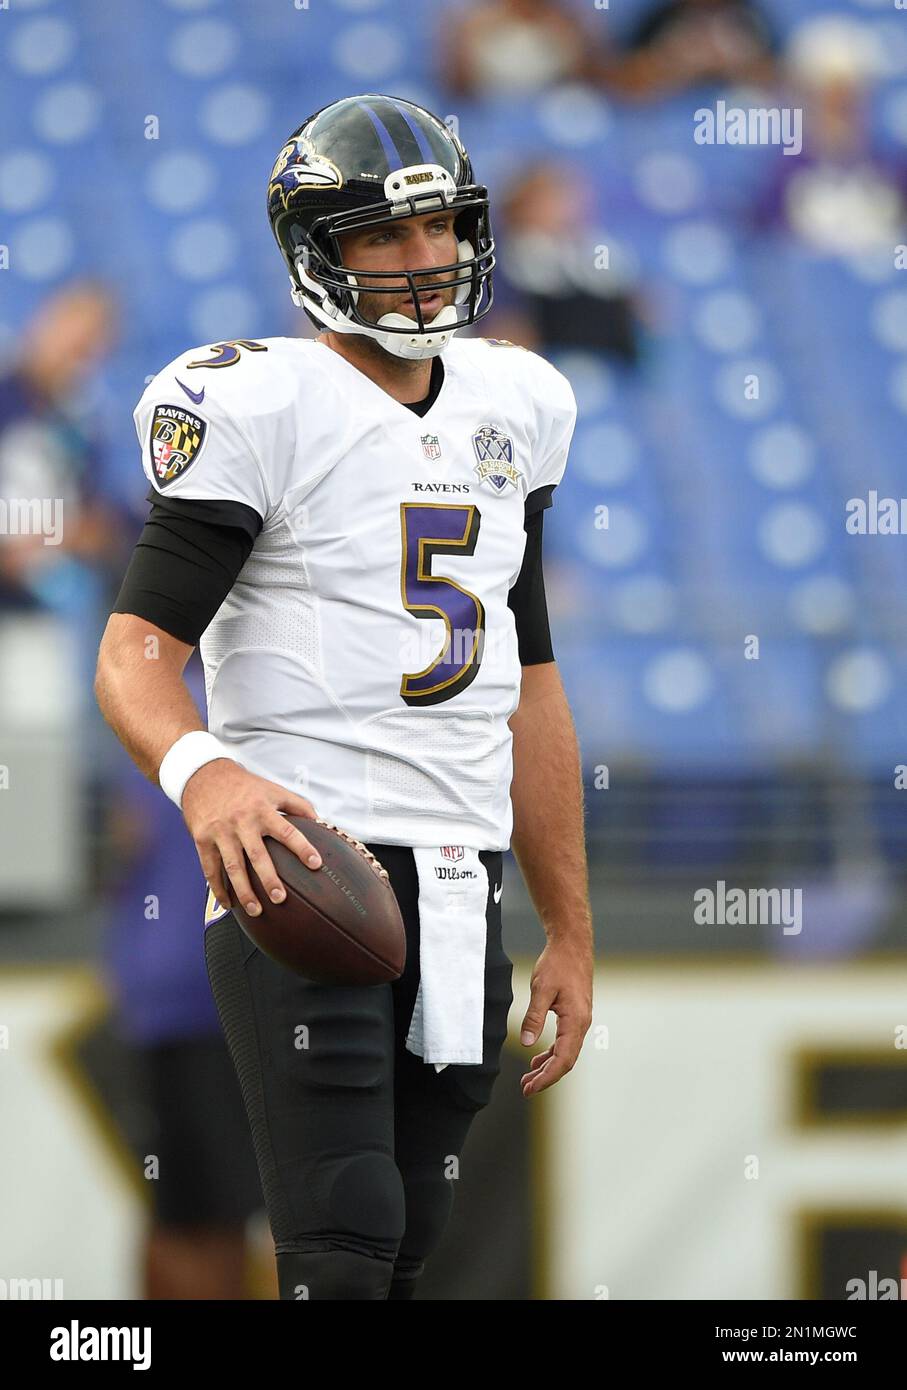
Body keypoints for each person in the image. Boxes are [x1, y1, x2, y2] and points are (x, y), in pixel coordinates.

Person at [95, 94, 593, 1301]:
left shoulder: (516, 403)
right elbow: (133, 652)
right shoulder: (257, 404)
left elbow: (529, 683)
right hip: (308, 861)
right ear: (318, 251)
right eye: (382, 235)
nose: (423, 261)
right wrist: (203, 771)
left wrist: (570, 924)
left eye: (438, 229)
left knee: (409, 1239)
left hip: (465, 883)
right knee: (341, 1233)